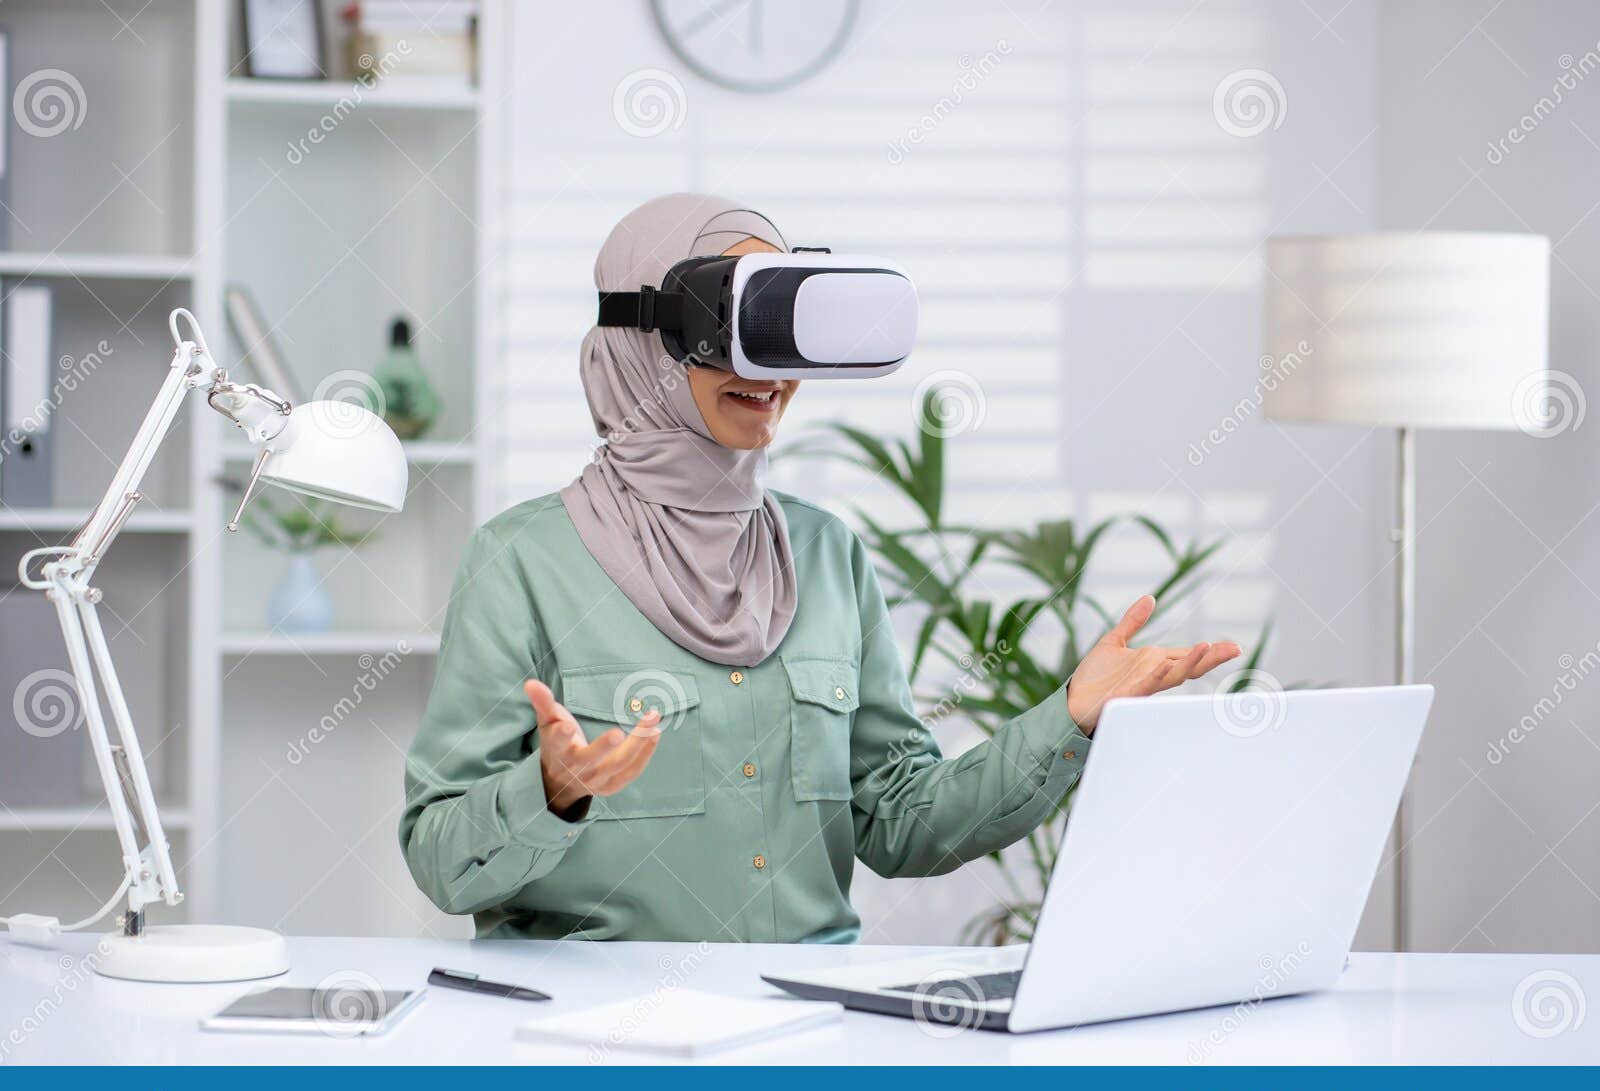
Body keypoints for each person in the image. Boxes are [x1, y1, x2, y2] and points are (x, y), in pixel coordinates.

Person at [400, 193, 1239, 941]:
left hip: (808, 1032)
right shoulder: (521, 560)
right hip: (591, 1045)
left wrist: (1072, 717)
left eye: (781, 334)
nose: (772, 374)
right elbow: (441, 861)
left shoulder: (827, 554)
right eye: (733, 331)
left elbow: (904, 824)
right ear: (641, 346)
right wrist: (550, 791)